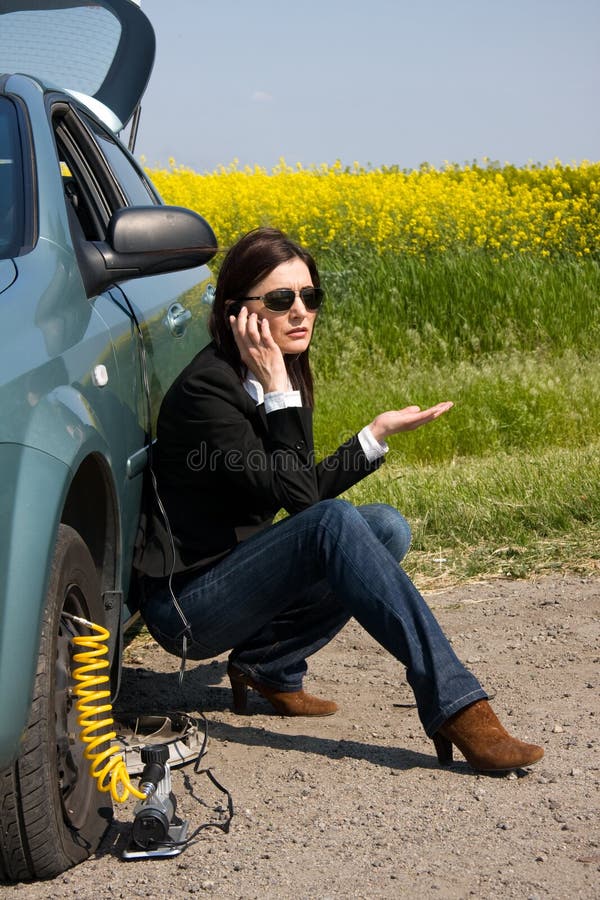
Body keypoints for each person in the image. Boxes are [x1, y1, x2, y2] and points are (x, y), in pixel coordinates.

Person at [137, 227, 543, 773]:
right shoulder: (208, 393)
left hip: (232, 576)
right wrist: (282, 394)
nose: (301, 311)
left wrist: (372, 436)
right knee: (333, 523)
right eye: (281, 300)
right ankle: (457, 704)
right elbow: (308, 509)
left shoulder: (267, 372)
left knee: (386, 527)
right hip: (185, 606)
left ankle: (268, 666)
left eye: (311, 297)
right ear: (239, 312)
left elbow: (293, 492)